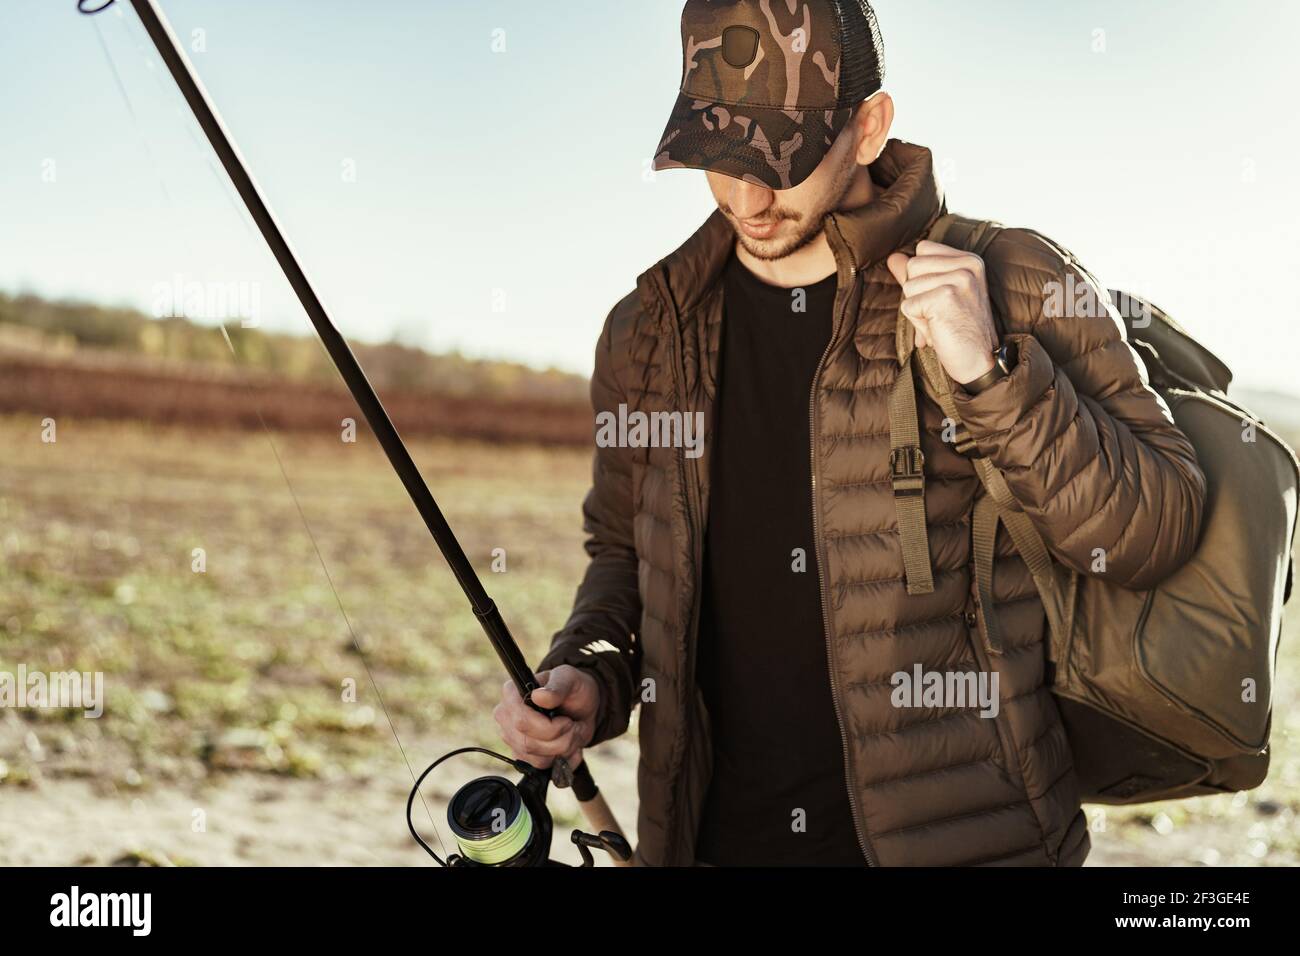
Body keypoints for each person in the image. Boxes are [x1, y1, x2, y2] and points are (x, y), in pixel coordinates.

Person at [494, 0, 1205, 867]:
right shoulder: (648, 329)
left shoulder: (1009, 278)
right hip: (707, 841)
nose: (747, 197)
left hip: (973, 845)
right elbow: (621, 554)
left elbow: (1152, 533)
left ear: (868, 127)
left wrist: (990, 373)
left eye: (778, 160)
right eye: (718, 156)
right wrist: (589, 673)